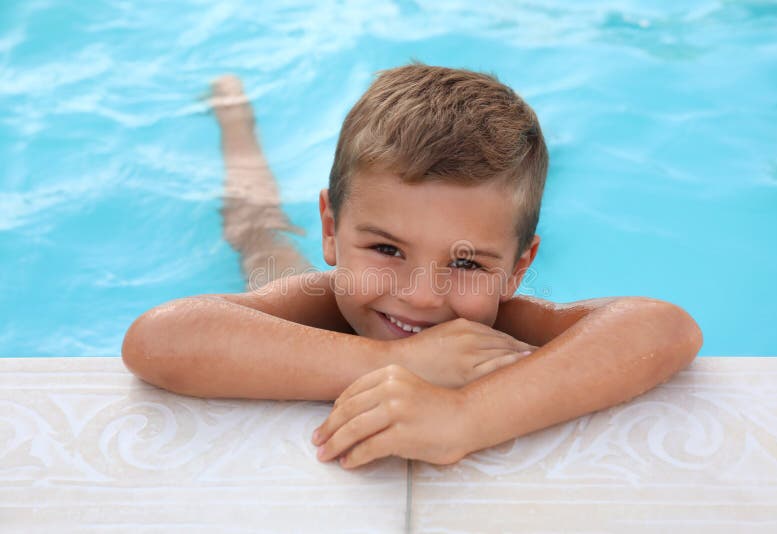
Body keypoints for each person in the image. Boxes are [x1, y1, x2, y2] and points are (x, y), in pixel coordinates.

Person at [121, 64, 703, 470]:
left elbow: (663, 328)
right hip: (280, 281)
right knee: (255, 227)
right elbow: (158, 338)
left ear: (518, 268)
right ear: (332, 229)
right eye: (387, 249)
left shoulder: (502, 324)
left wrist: (467, 417)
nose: (423, 297)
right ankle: (235, 120)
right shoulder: (315, 305)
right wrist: (392, 360)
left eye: (467, 262)